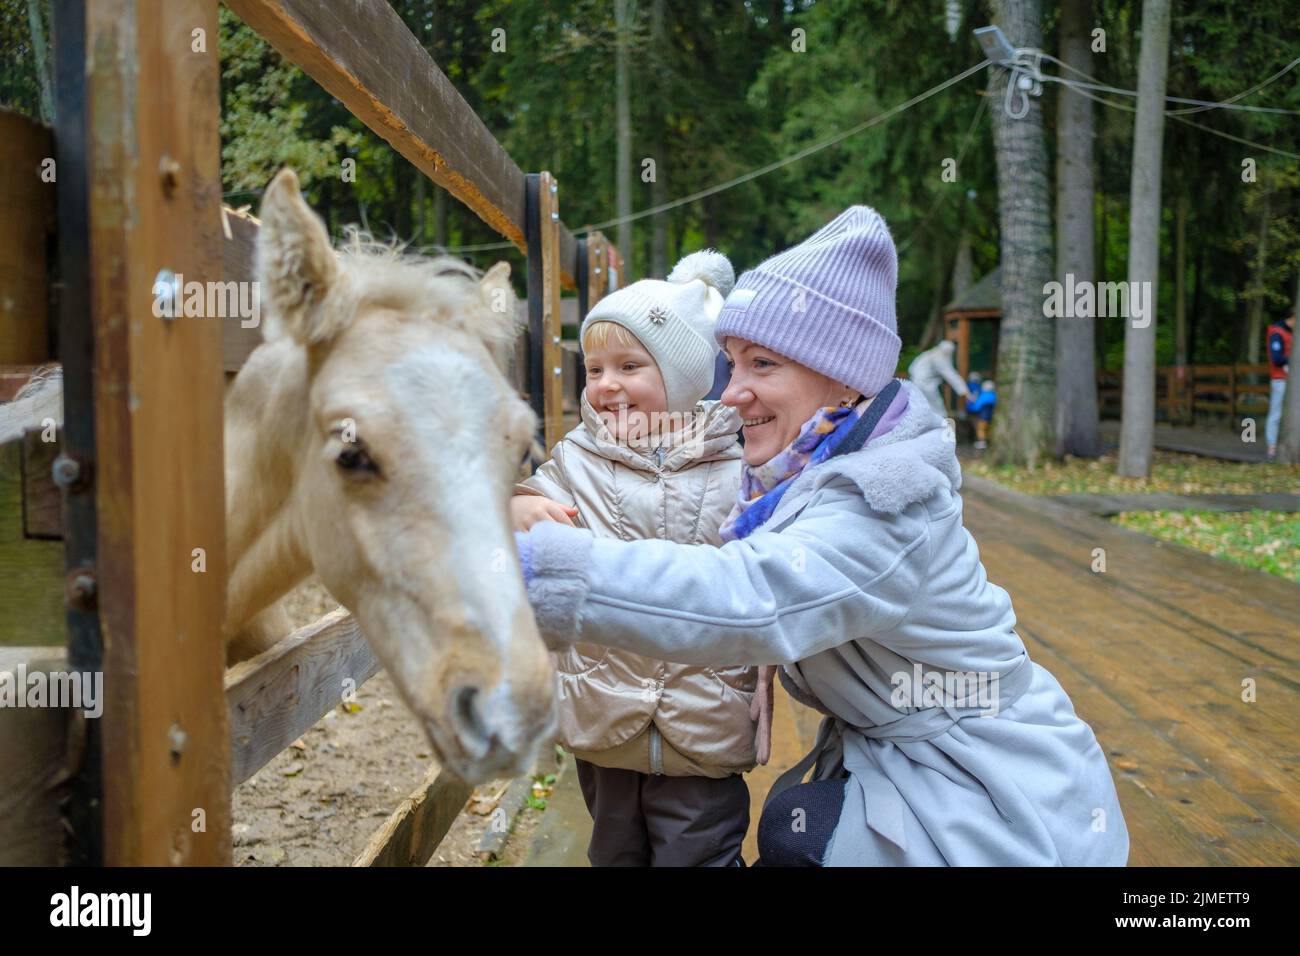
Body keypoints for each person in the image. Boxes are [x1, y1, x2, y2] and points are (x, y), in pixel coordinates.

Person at [516, 206, 1130, 866]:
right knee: (793, 828)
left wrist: (545, 566)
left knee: (794, 834)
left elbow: (750, 598)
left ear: (841, 374)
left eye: (763, 364)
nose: (731, 395)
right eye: (731, 365)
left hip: (995, 792)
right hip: (911, 758)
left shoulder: (883, 497)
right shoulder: (805, 470)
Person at [510, 250, 762, 867]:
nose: (606, 384)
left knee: (699, 853)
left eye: (629, 366)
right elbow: (531, 499)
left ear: (680, 378)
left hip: (706, 716)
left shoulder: (738, 461)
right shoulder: (577, 458)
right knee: (614, 849)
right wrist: (516, 508)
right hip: (601, 711)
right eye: (593, 370)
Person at [908, 338, 969, 417]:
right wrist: (964, 391)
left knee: (921, 408)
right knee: (939, 411)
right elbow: (950, 374)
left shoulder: (928, 354)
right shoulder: (939, 356)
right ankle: (942, 428)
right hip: (926, 384)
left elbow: (911, 368)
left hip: (914, 382)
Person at [1266, 313, 1293, 461]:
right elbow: (1276, 359)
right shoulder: (1277, 332)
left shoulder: (1292, 333)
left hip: (1292, 380)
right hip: (1280, 379)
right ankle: (1272, 447)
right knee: (1276, 413)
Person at [965, 377, 997, 450]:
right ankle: (986, 442)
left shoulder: (984, 396)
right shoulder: (994, 395)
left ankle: (982, 442)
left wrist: (970, 405)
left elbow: (976, 407)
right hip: (991, 417)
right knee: (987, 429)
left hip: (983, 417)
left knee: (980, 429)